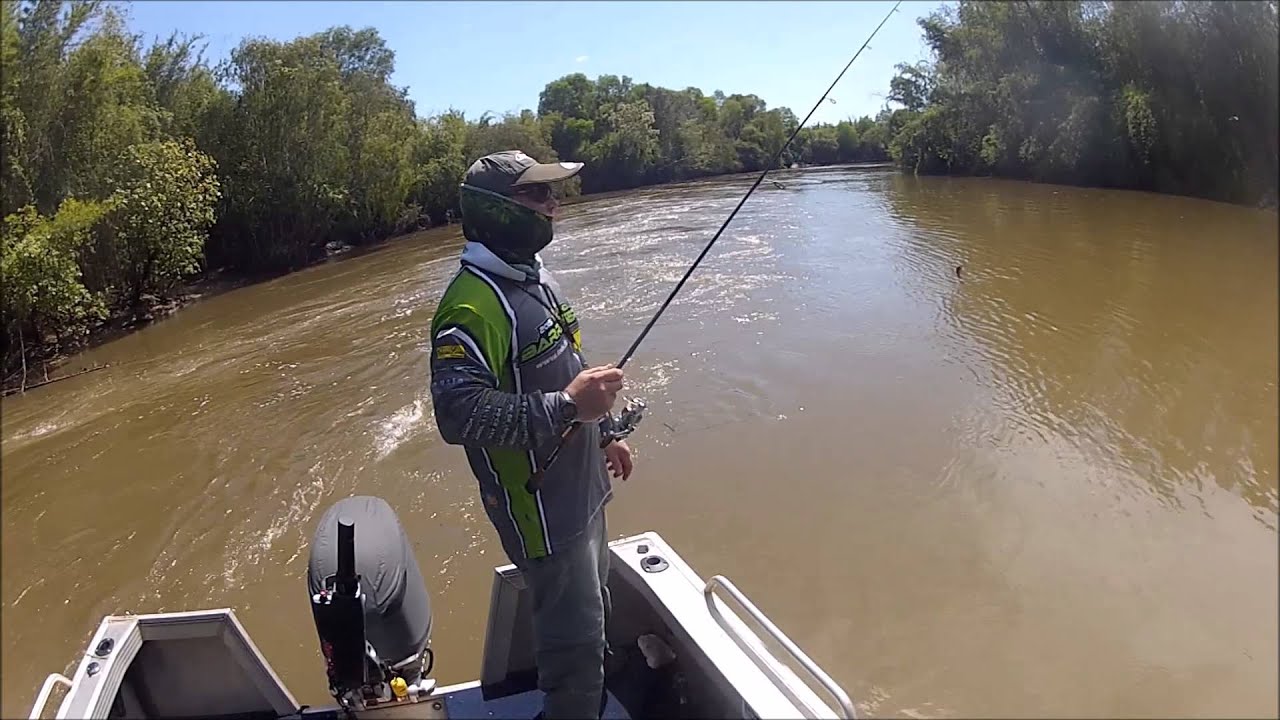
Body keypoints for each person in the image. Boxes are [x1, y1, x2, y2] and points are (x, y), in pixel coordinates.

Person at [428, 150, 633, 719]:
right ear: (495, 209)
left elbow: (567, 365)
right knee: (575, 645)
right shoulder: (469, 306)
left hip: (583, 490)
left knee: (596, 616)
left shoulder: (537, 278)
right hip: (541, 511)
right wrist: (569, 405)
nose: (552, 205)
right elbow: (458, 413)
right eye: (537, 195)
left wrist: (605, 430)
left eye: (552, 194)